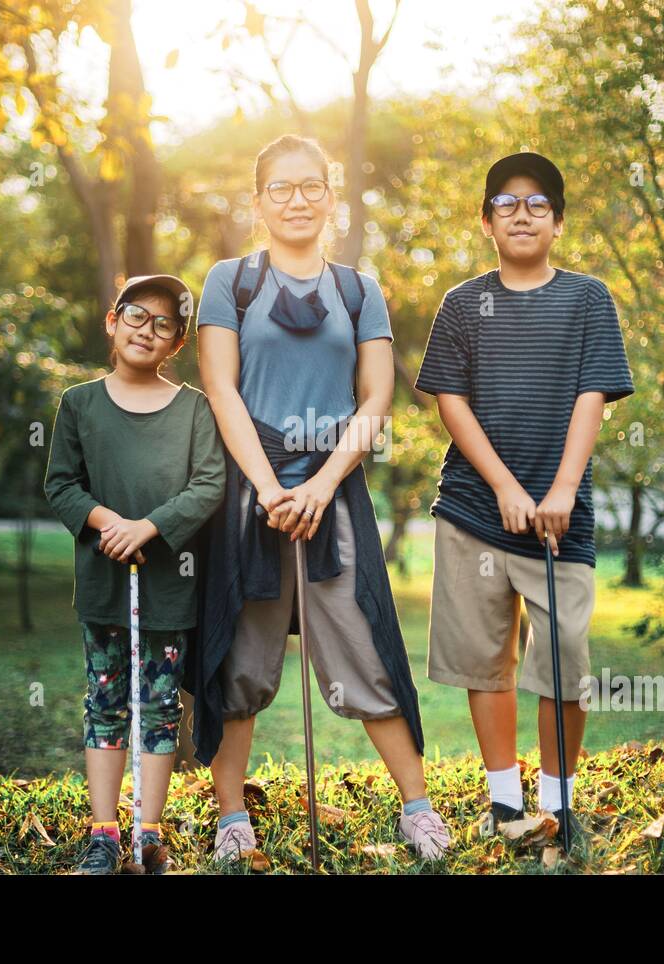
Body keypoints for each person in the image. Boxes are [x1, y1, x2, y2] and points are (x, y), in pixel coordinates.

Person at [191, 134, 450, 863]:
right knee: (241, 657)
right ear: (258, 201)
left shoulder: (359, 290)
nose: (297, 199)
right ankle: (232, 819)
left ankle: (418, 809)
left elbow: (376, 398)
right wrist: (272, 488)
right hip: (252, 495)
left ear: (330, 199)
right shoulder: (229, 282)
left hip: (334, 495)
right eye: (281, 188)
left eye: (311, 187)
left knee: (366, 644)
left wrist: (322, 483)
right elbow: (220, 388)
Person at [415, 152, 635, 853]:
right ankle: (505, 799)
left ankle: (558, 805)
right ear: (486, 221)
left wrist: (562, 488)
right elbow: (450, 401)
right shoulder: (461, 304)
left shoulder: (588, 299)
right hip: (476, 512)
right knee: (487, 660)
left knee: (564, 658)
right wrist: (507, 487)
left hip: (561, 520)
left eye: (538, 203)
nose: (521, 213)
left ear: (559, 221)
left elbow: (591, 394)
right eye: (506, 203)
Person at [44, 274, 226, 874]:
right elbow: (61, 485)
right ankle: (104, 833)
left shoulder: (194, 408)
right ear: (112, 321)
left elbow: (209, 485)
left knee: (159, 703)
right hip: (103, 585)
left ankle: (148, 830)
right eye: (136, 316)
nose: (147, 330)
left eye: (165, 324)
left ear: (176, 343)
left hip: (169, 586)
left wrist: (148, 527)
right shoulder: (79, 403)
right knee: (105, 701)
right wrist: (107, 525)